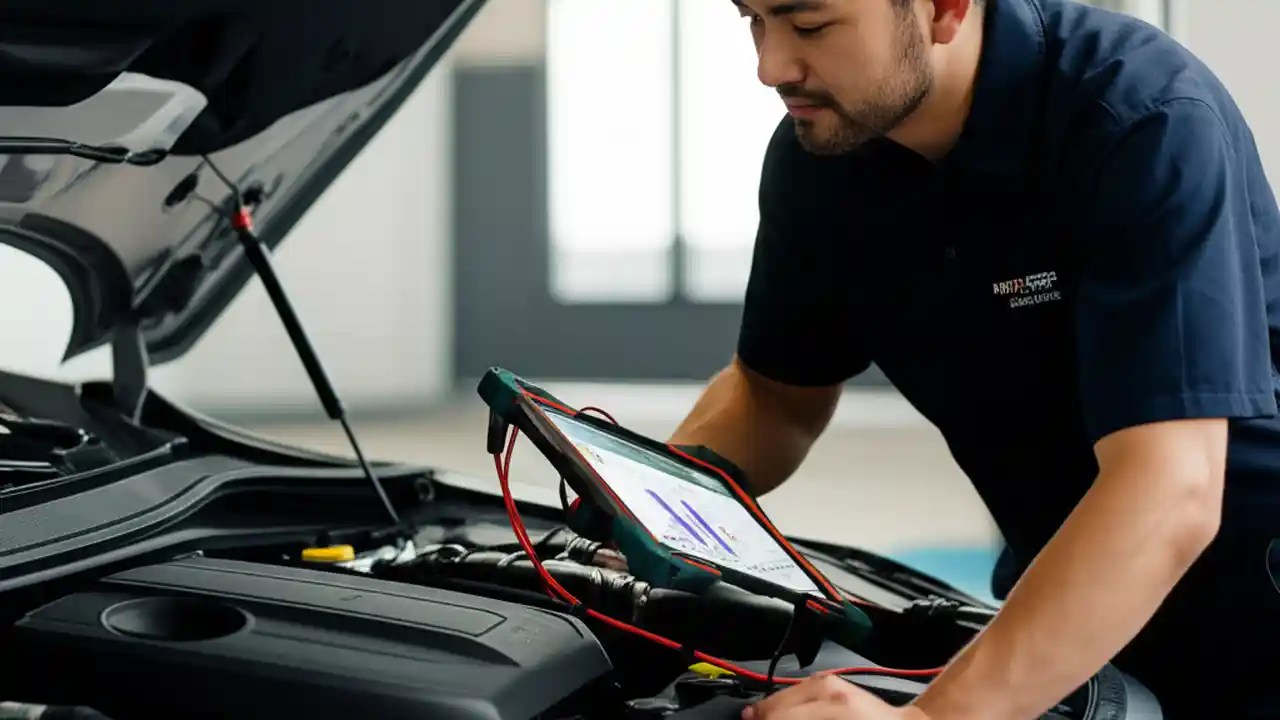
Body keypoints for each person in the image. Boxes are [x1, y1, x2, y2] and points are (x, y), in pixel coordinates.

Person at [667, 0, 1280, 718]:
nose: (769, 66)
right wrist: (646, 505)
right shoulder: (823, 157)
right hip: (1066, 624)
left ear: (944, 10)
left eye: (809, 26)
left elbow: (1171, 489)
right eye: (754, 21)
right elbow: (775, 396)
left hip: (1254, 625)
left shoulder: (1139, 115)